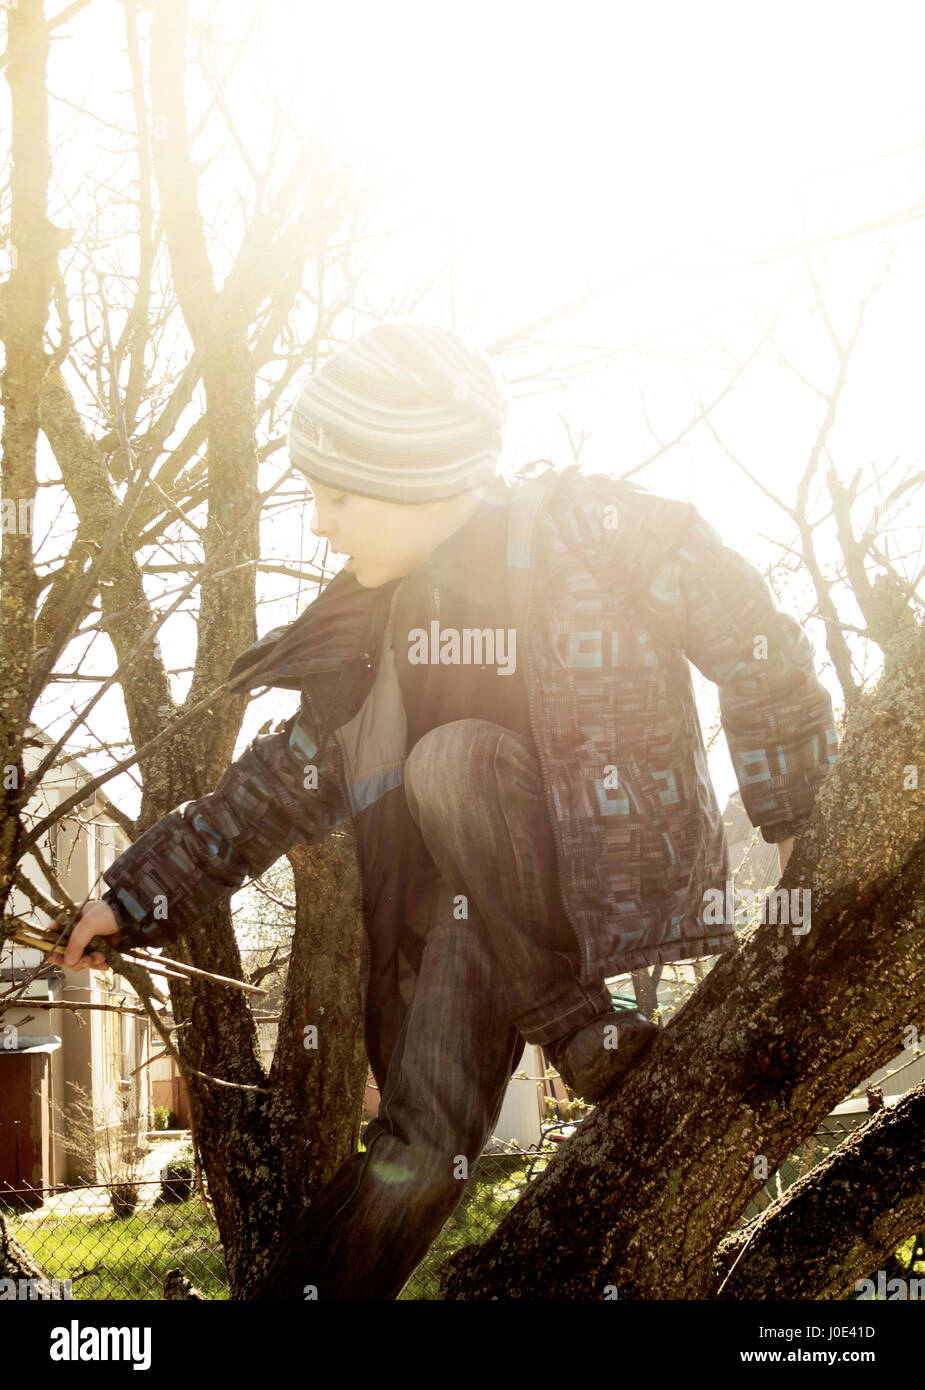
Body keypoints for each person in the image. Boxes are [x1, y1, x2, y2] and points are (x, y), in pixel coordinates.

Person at [54, 322, 839, 1299]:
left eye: (337, 495)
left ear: (408, 475)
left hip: (594, 888)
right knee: (418, 1146)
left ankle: (577, 1023)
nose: (323, 524)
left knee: (452, 761)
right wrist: (130, 898)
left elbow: (750, 633)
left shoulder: (588, 529)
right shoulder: (368, 640)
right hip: (476, 919)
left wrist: (797, 813)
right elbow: (264, 791)